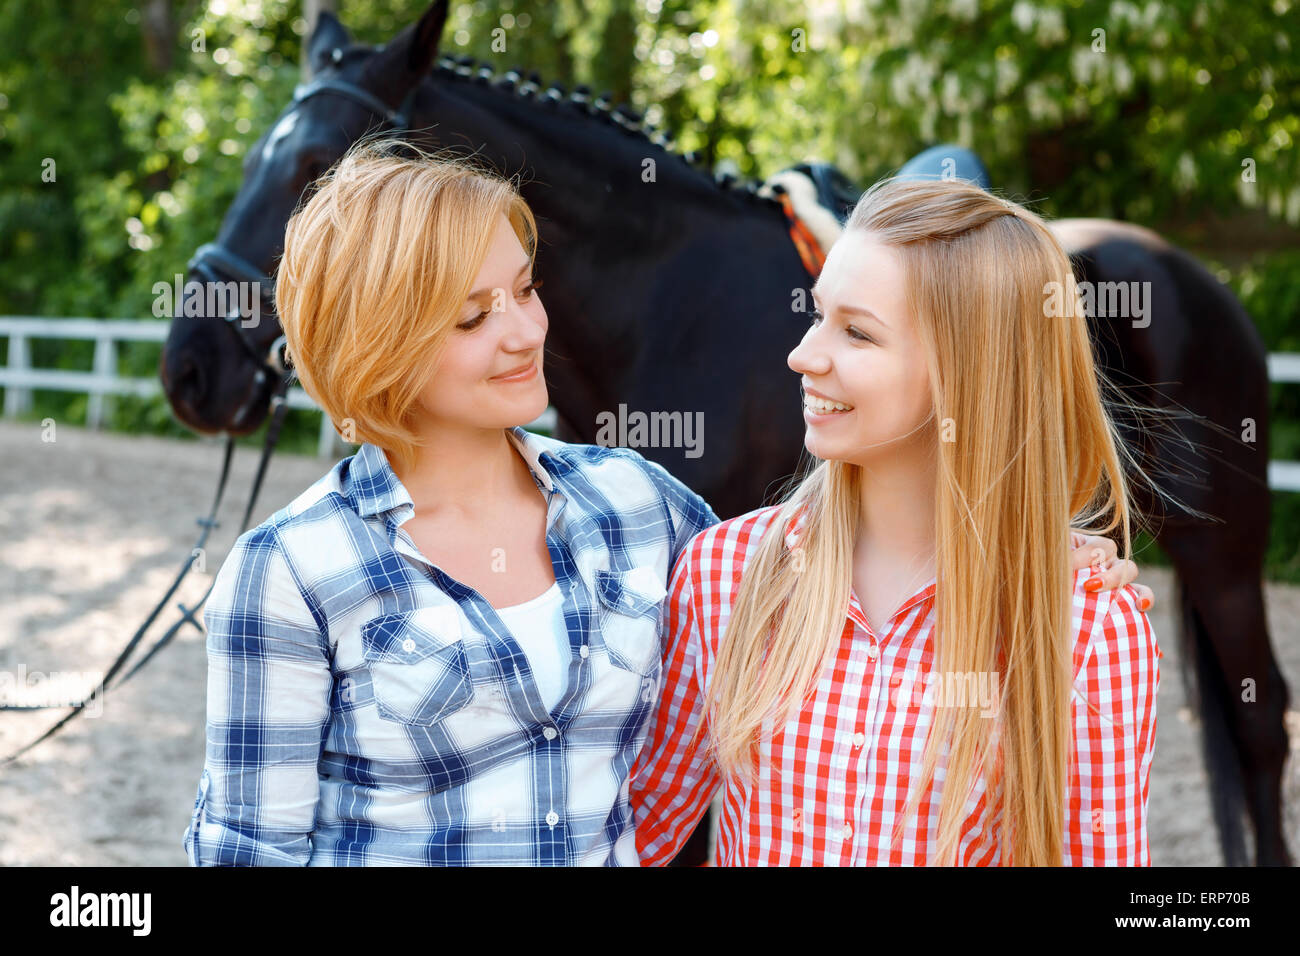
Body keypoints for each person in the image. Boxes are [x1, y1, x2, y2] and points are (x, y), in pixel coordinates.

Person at [182, 139, 1147, 865]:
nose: (523, 332)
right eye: (473, 316)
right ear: (380, 342)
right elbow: (245, 848)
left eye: (524, 290)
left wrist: (1048, 548)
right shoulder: (293, 571)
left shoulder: (643, 512)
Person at [630, 177, 1162, 866]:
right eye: (819, 315)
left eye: (857, 333)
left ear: (969, 374)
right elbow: (636, 835)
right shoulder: (723, 573)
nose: (803, 355)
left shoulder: (1088, 628)